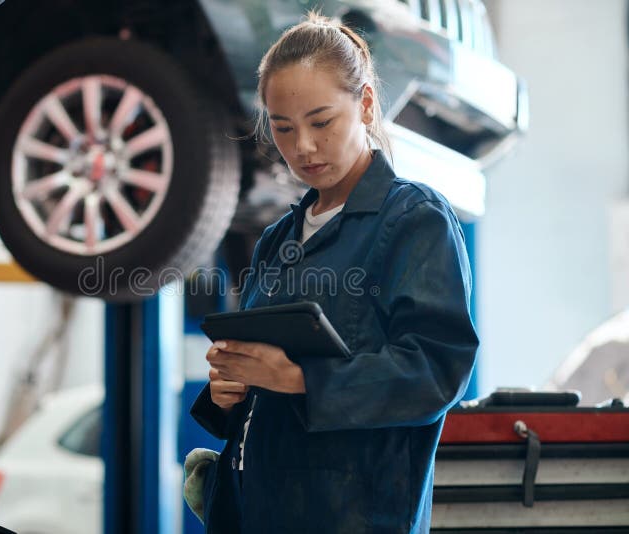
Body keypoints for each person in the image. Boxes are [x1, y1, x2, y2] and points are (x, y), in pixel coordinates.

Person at [190, 12, 479, 534]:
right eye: (283, 128)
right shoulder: (278, 239)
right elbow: (261, 377)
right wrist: (229, 387)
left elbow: (437, 371)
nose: (302, 146)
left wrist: (302, 380)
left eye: (321, 122)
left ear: (365, 104)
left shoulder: (414, 221)